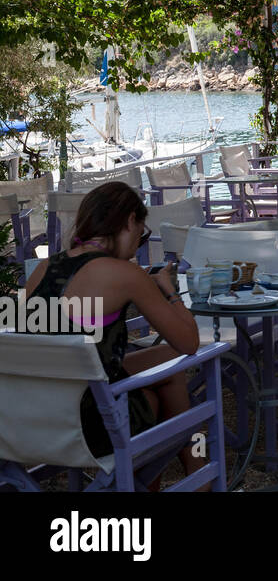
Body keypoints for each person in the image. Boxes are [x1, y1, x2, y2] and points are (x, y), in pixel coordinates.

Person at [22, 182, 205, 484]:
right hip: (85, 424)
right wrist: (169, 291)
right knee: (152, 395)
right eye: (141, 235)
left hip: (35, 418)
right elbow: (189, 342)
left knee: (165, 360)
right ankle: (195, 469)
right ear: (130, 221)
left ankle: (194, 467)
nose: (137, 245)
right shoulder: (125, 273)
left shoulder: (43, 269)